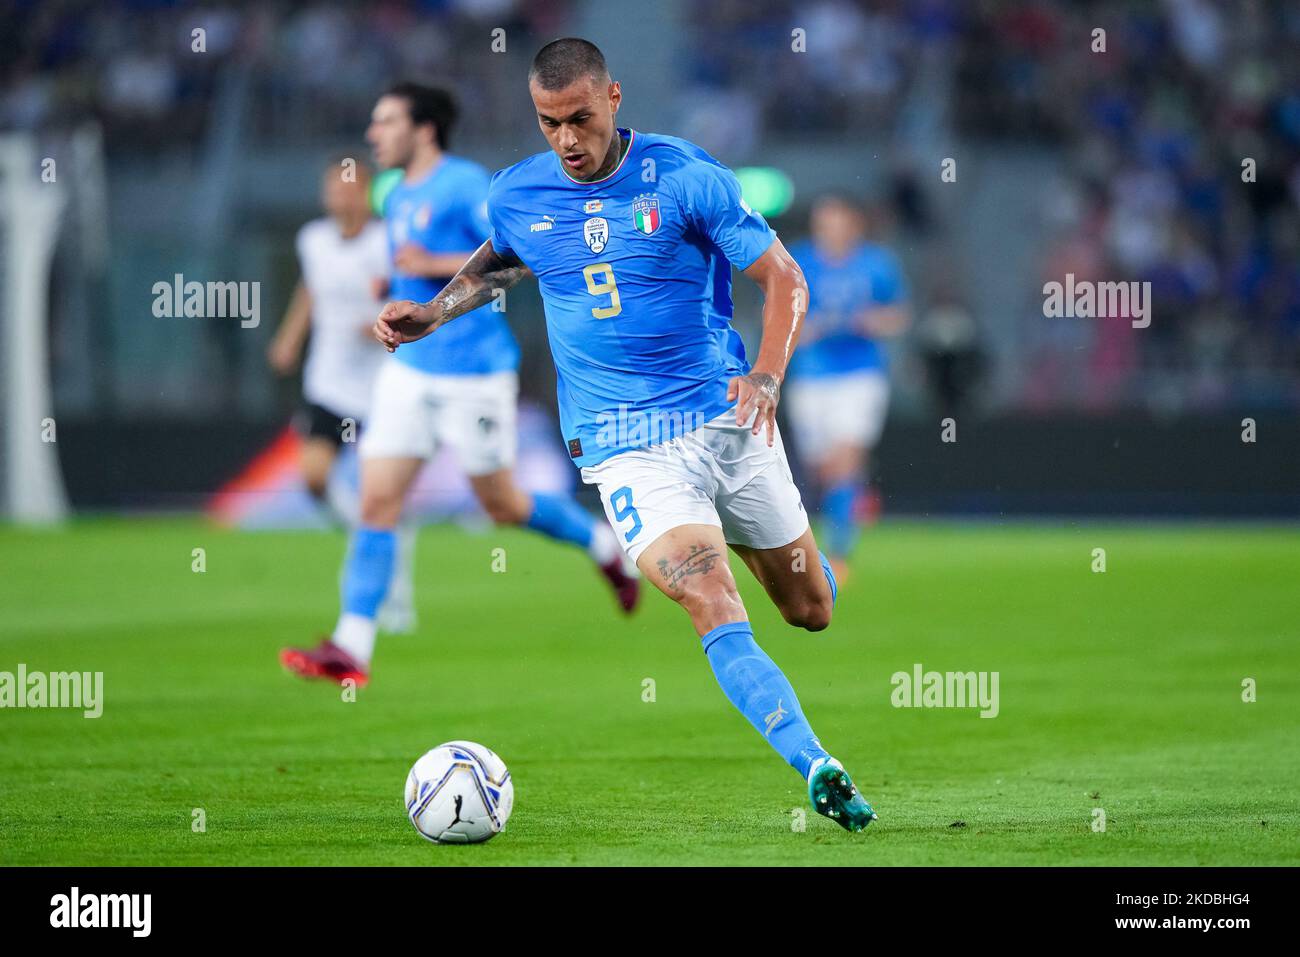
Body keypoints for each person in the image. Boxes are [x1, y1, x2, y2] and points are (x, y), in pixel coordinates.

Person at [373, 43, 877, 831]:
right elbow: (505, 258)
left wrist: (770, 377)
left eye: (581, 118)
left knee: (811, 607)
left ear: (612, 96)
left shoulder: (686, 177)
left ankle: (785, 547)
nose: (568, 139)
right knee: (709, 595)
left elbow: (784, 278)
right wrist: (435, 310)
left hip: (728, 418)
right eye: (551, 124)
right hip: (625, 444)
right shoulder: (518, 191)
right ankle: (816, 762)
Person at [281, 82, 639, 689]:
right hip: (410, 373)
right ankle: (352, 647)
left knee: (502, 505)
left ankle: (601, 544)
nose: (373, 135)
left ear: (423, 129)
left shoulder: (466, 184)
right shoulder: (396, 198)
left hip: (474, 376)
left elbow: (523, 259)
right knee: (376, 501)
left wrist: (431, 267)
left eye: (385, 121)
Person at [266, 157, 416, 632]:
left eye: (347, 188)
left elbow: (407, 293)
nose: (338, 197)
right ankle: (366, 541)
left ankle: (395, 590)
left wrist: (382, 325)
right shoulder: (312, 240)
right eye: (332, 188)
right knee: (313, 477)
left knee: (385, 493)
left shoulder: (386, 242)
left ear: (365, 193)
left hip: (381, 384)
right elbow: (310, 289)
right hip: (328, 381)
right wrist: (290, 336)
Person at [785, 195, 910, 582]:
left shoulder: (876, 264)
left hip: (860, 375)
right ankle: (847, 509)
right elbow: (780, 312)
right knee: (823, 469)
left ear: (854, 225)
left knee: (845, 458)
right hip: (811, 377)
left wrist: (872, 321)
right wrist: (802, 332)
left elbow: (898, 316)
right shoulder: (798, 261)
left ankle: (838, 554)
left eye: (839, 222)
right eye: (825, 223)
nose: (832, 230)